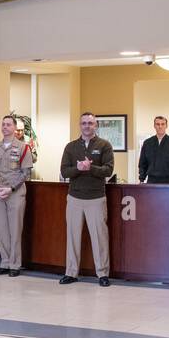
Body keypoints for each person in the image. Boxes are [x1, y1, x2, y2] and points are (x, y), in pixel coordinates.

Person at [60, 112, 114, 286]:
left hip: (96, 198)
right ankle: (71, 273)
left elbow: (108, 170)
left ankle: (102, 274)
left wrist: (90, 168)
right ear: (80, 125)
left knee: (99, 237)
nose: (87, 126)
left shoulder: (104, 145)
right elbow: (64, 171)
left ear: (96, 125)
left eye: (90, 123)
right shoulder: (71, 147)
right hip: (74, 197)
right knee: (73, 236)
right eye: (84, 123)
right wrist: (78, 168)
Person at [0, 114, 35, 277]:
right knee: (1, 229)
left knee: (15, 229)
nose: (5, 127)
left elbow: (25, 173)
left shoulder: (23, 148)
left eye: (8, 124)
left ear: (15, 128)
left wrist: (11, 189)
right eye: (3, 124)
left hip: (15, 192)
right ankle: (5, 262)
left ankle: (15, 264)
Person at [137, 115, 169, 184]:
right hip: (151, 180)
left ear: (166, 126)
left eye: (163, 124)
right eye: (157, 124)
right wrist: (141, 179)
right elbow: (142, 163)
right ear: (154, 126)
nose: (160, 126)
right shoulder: (147, 143)